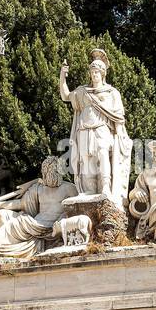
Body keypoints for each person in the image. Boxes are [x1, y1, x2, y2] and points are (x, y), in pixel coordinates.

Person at [58, 49, 132, 206]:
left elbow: (118, 116)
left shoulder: (112, 92)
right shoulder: (82, 91)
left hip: (102, 128)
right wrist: (62, 76)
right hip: (84, 129)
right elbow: (65, 96)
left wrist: (119, 135)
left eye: (97, 72)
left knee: (103, 153)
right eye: (92, 72)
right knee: (85, 158)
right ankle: (90, 189)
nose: (94, 75)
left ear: (103, 73)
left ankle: (105, 186)